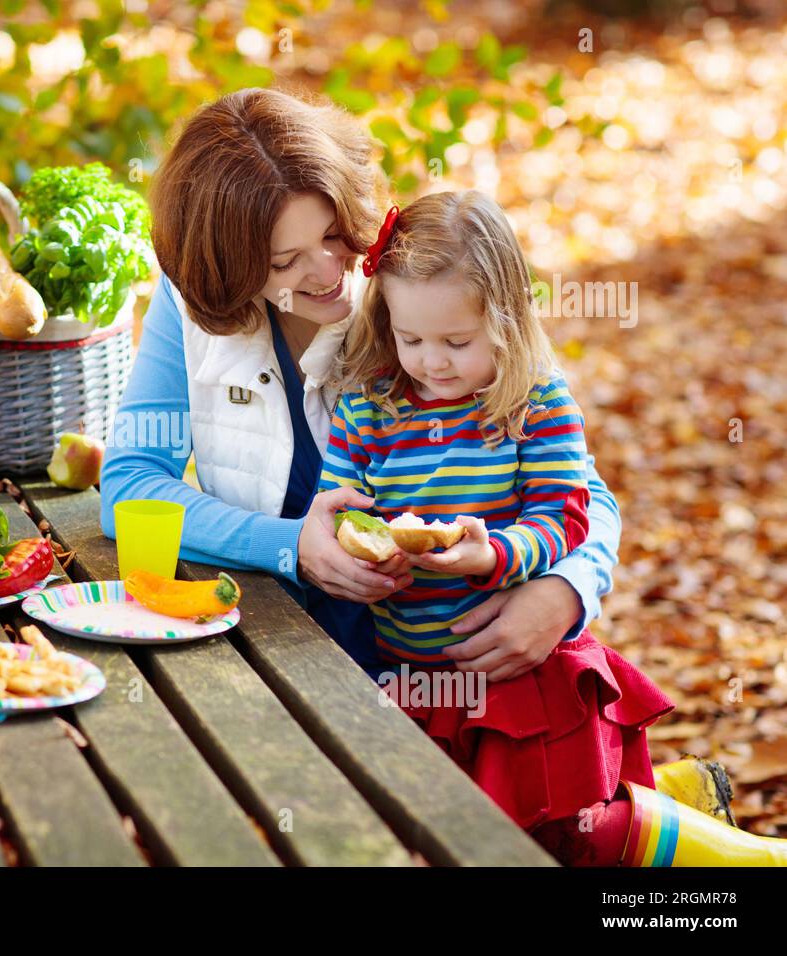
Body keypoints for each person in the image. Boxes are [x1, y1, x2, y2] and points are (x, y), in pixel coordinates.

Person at [319, 188, 787, 866]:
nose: (433, 361)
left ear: (505, 321)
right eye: (410, 337)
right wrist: (362, 555)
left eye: (457, 341)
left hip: (520, 671)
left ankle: (741, 864)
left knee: (549, 831)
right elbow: (346, 507)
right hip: (419, 670)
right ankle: (676, 799)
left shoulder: (532, 400)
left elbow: (564, 513)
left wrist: (495, 556)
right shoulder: (370, 406)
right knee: (466, 830)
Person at [100, 87, 619, 681]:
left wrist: (565, 593)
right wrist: (287, 544)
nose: (326, 272)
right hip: (276, 641)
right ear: (227, 268)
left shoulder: (419, 284)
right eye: (283, 262)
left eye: (333, 234)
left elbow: (577, 486)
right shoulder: (191, 304)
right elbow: (130, 488)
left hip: (442, 644)